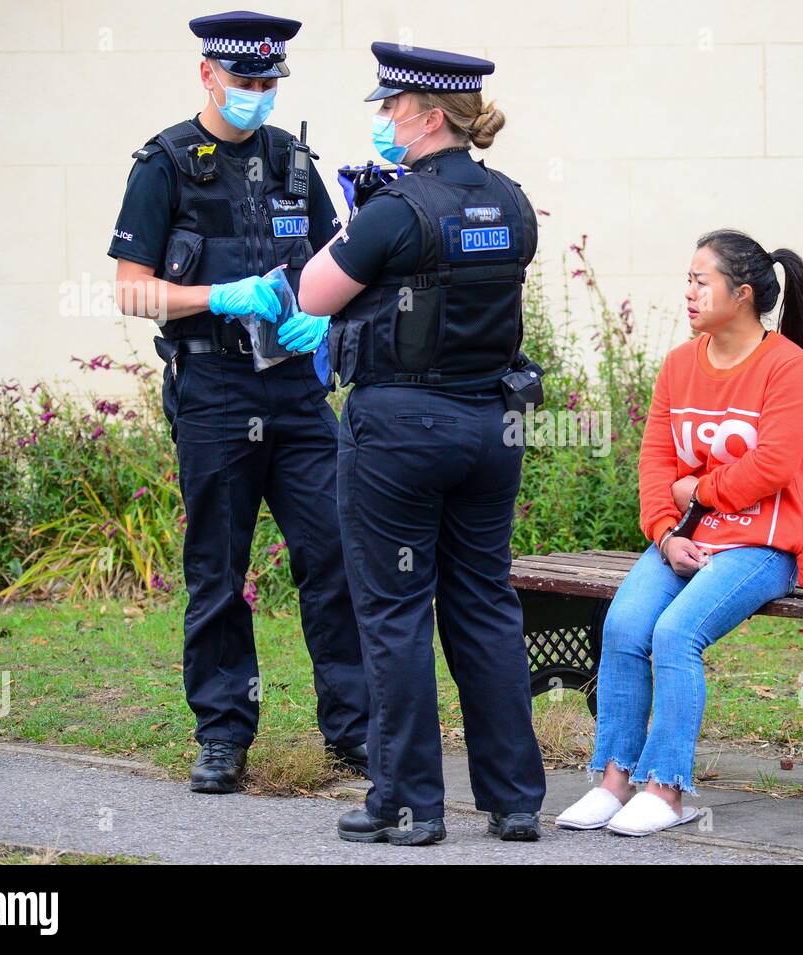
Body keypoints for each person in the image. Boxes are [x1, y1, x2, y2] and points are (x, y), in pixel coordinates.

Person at [108, 10, 369, 794]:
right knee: (216, 568)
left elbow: (341, 258)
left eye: (267, 83)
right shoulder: (164, 165)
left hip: (293, 388)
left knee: (334, 554)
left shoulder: (293, 161)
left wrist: (317, 314)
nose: (257, 94)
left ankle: (354, 734)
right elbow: (130, 291)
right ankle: (223, 734)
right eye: (245, 81)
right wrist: (220, 294)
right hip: (215, 389)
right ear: (208, 75)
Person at [293, 42, 546, 846]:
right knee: (484, 607)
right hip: (490, 429)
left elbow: (311, 291)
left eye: (393, 107)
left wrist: (368, 225)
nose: (384, 120)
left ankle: (408, 804)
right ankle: (514, 801)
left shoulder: (395, 211)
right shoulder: (512, 202)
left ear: (432, 116)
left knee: (395, 613)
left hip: (400, 434)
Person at [556, 231, 803, 836]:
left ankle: (668, 789)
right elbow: (656, 458)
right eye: (687, 279)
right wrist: (663, 531)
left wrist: (699, 492)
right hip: (687, 535)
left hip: (766, 542)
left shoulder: (787, 368)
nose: (688, 292)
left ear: (741, 293)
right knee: (626, 625)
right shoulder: (682, 364)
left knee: (676, 632)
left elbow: (774, 467)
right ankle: (614, 780)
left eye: (699, 280)